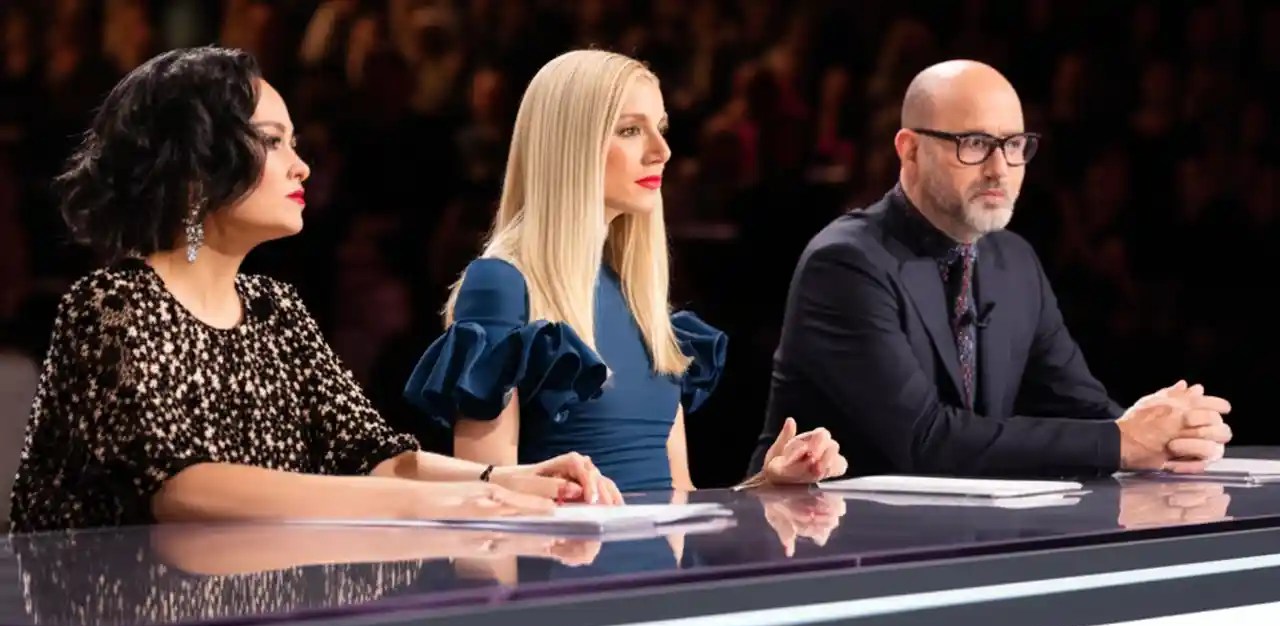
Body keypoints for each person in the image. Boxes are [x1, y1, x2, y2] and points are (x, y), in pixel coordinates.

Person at [9, 47, 613, 534]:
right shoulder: (113, 307)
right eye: (273, 141)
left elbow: (372, 454)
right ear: (195, 165)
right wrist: (420, 506)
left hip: (248, 622)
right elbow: (183, 488)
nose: (302, 166)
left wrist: (496, 480)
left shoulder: (276, 309)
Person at [750, 60, 1233, 479]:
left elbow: (1082, 408)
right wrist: (1124, 442)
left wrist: (1169, 431)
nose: (1000, 168)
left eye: (1016, 145)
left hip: (963, 542)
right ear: (910, 150)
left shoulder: (1014, 261)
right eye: (976, 143)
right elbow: (923, 439)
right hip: (830, 547)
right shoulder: (845, 265)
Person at [405, 49, 847, 495]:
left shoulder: (640, 296)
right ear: (571, 144)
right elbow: (485, 504)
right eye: (631, 130)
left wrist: (769, 486)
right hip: (571, 564)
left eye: (661, 129)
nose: (662, 151)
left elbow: (679, 501)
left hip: (659, 566)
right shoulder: (502, 285)